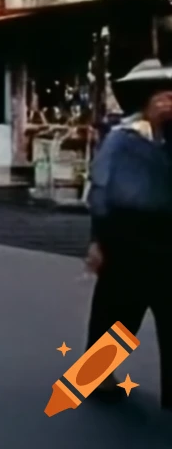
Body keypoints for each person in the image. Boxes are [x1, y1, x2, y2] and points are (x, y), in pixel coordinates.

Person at [85, 58, 172, 405]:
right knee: (119, 310)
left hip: (168, 233)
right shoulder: (122, 138)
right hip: (126, 233)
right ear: (146, 102)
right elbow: (101, 188)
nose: (168, 103)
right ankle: (96, 377)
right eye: (162, 97)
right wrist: (96, 240)